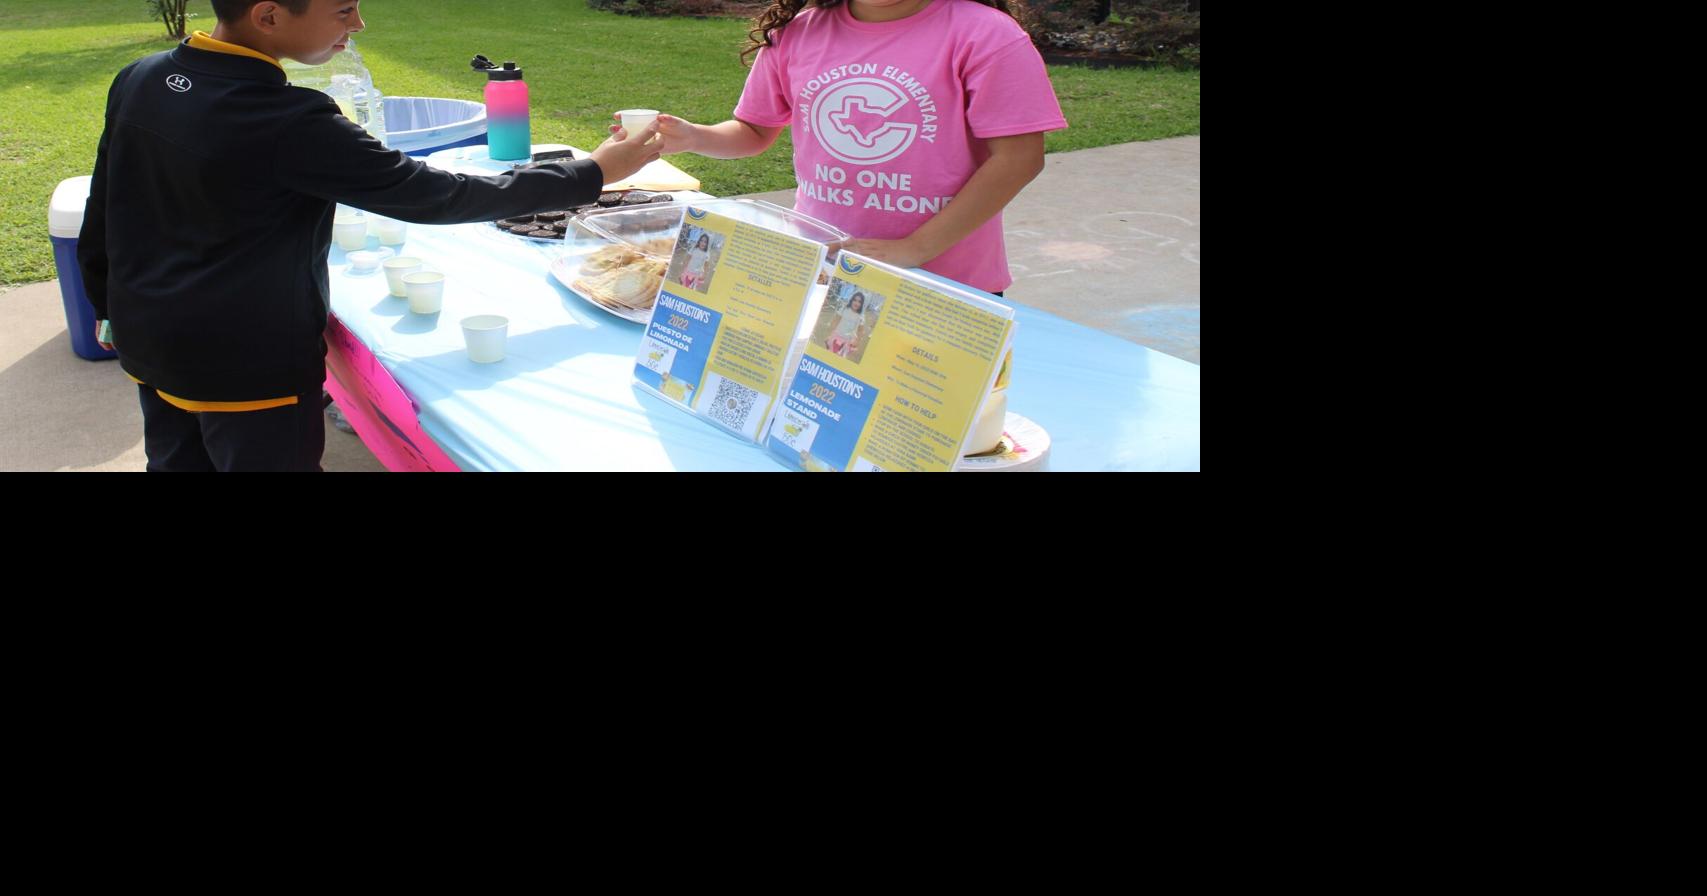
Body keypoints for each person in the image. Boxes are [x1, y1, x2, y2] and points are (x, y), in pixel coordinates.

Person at [82, 0, 661, 471]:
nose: (359, 24)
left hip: (151, 338)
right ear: (268, 16)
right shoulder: (287, 119)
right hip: (247, 363)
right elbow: (437, 194)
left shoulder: (142, 77)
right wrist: (593, 172)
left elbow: (104, 206)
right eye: (344, 10)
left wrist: (107, 306)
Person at [621, 0, 1066, 297]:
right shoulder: (797, 34)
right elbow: (753, 132)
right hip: (823, 270)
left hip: (946, 283)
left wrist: (916, 247)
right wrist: (693, 135)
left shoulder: (985, 33)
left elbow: (1018, 158)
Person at [827, 291, 866, 357]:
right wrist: (830, 334)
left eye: (859, 302)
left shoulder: (861, 316)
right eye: (855, 300)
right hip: (836, 337)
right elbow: (835, 320)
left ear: (861, 304)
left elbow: (861, 331)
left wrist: (857, 341)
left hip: (847, 341)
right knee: (830, 354)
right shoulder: (844, 309)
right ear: (851, 300)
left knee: (840, 357)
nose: (856, 303)